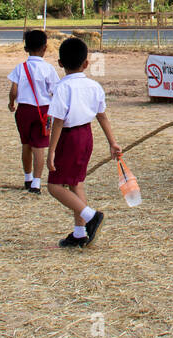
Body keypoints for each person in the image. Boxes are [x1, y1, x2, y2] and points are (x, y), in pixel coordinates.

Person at [46, 37, 121, 248]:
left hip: (68, 138)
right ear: (86, 63)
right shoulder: (93, 86)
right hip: (86, 136)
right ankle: (79, 234)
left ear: (60, 63)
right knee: (76, 183)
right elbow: (102, 116)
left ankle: (91, 216)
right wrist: (112, 142)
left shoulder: (62, 87)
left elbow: (58, 121)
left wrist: (51, 151)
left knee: (54, 186)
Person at [8, 29, 58, 192]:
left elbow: (14, 90)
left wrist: (11, 103)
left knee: (26, 144)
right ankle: (37, 182)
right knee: (40, 146)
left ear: (26, 49)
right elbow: (55, 90)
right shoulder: (48, 69)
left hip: (23, 111)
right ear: (45, 47)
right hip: (44, 112)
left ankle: (27, 177)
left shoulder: (20, 67)